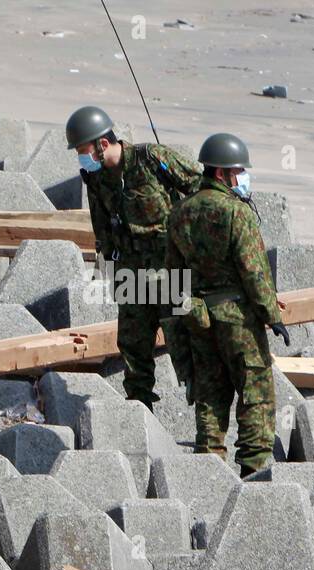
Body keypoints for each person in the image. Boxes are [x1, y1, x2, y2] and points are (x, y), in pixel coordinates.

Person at [166, 133, 288, 478]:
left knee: (209, 396)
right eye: (237, 171)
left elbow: (173, 277)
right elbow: (254, 271)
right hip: (238, 319)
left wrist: (184, 318)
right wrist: (272, 316)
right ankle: (255, 472)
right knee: (256, 393)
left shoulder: (179, 212)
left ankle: (210, 472)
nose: (242, 176)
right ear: (221, 173)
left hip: (199, 319)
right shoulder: (236, 212)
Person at [66, 105, 202, 408]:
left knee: (184, 344)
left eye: (83, 150)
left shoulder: (151, 158)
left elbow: (201, 188)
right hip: (130, 271)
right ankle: (140, 414)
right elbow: (102, 226)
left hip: (170, 269)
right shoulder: (96, 178)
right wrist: (108, 269)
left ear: (103, 144)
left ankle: (207, 425)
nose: (81, 157)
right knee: (132, 345)